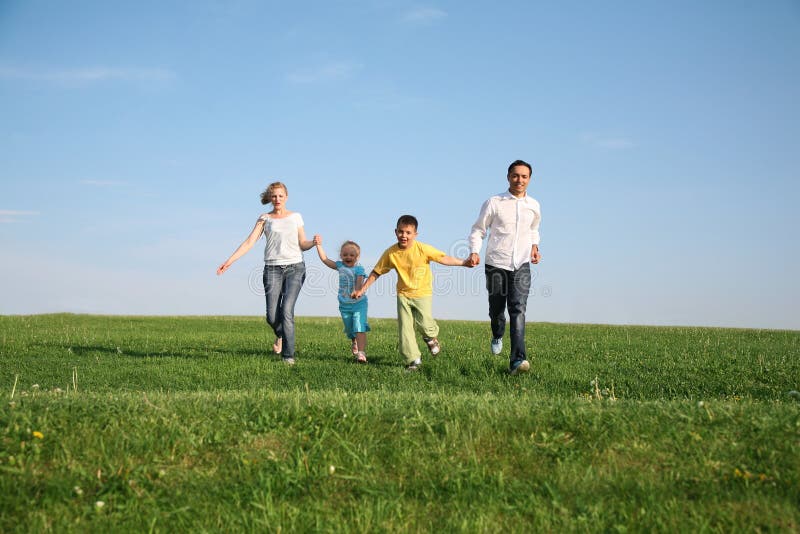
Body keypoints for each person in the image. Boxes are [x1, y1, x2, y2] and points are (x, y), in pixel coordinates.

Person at [352, 215, 473, 371]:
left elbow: (443, 258)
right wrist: (362, 289)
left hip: (422, 293)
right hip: (403, 295)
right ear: (395, 232)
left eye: (408, 232)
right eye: (401, 231)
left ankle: (430, 337)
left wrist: (464, 263)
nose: (404, 235)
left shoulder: (422, 249)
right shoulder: (391, 253)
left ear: (415, 234)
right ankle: (413, 360)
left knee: (425, 324)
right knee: (405, 329)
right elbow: (377, 271)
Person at [217, 181, 314, 365]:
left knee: (287, 310)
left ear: (286, 197)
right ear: (270, 198)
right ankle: (281, 335)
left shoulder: (296, 217)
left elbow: (303, 243)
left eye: (280, 196)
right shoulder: (264, 218)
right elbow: (249, 242)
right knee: (271, 316)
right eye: (274, 196)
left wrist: (313, 243)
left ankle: (288, 356)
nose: (277, 199)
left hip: (295, 268)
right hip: (272, 269)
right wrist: (229, 261)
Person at [468, 159, 542, 375]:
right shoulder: (494, 202)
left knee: (518, 309)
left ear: (529, 179)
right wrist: (474, 251)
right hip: (496, 263)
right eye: (515, 175)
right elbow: (478, 229)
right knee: (496, 309)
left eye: (524, 176)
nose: (520, 180)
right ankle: (497, 333)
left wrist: (535, 246)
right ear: (508, 177)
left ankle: (517, 360)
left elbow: (534, 229)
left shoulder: (534, 205)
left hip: (521, 264)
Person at [313, 235, 370, 363]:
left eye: (352, 255)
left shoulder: (359, 269)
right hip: (344, 304)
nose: (348, 257)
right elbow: (325, 259)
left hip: (359, 303)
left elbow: (360, 281)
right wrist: (318, 245)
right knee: (350, 328)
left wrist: (357, 290)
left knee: (359, 325)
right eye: (345, 255)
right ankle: (354, 341)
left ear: (357, 257)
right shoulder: (340, 266)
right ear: (341, 255)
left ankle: (361, 353)